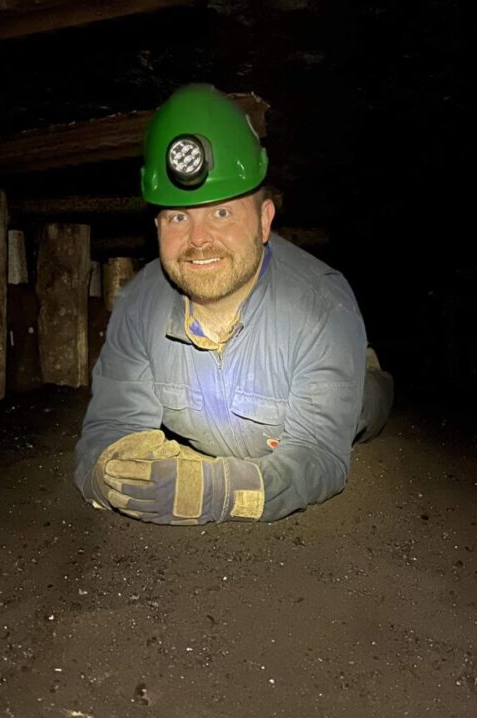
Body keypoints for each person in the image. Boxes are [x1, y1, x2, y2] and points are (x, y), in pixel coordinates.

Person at [73, 83, 393, 524]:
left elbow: (319, 455)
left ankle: (366, 367)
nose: (198, 239)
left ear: (264, 222)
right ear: (157, 226)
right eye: (178, 217)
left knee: (366, 402)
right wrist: (107, 471)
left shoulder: (321, 305)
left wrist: (222, 492)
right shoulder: (138, 305)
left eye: (222, 213)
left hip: (339, 395)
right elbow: (107, 429)